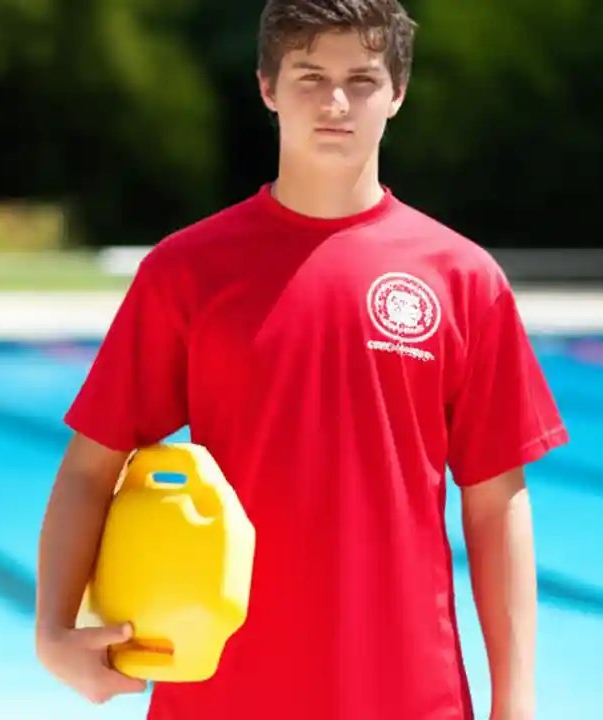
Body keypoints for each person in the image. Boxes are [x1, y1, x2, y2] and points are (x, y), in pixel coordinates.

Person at [34, 0, 569, 718]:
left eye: (363, 78)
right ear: (267, 86)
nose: (336, 102)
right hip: (221, 696)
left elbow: (496, 501)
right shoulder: (188, 271)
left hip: (409, 695)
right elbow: (89, 465)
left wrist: (517, 699)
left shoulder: (462, 279)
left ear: (398, 93)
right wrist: (53, 631)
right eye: (310, 75)